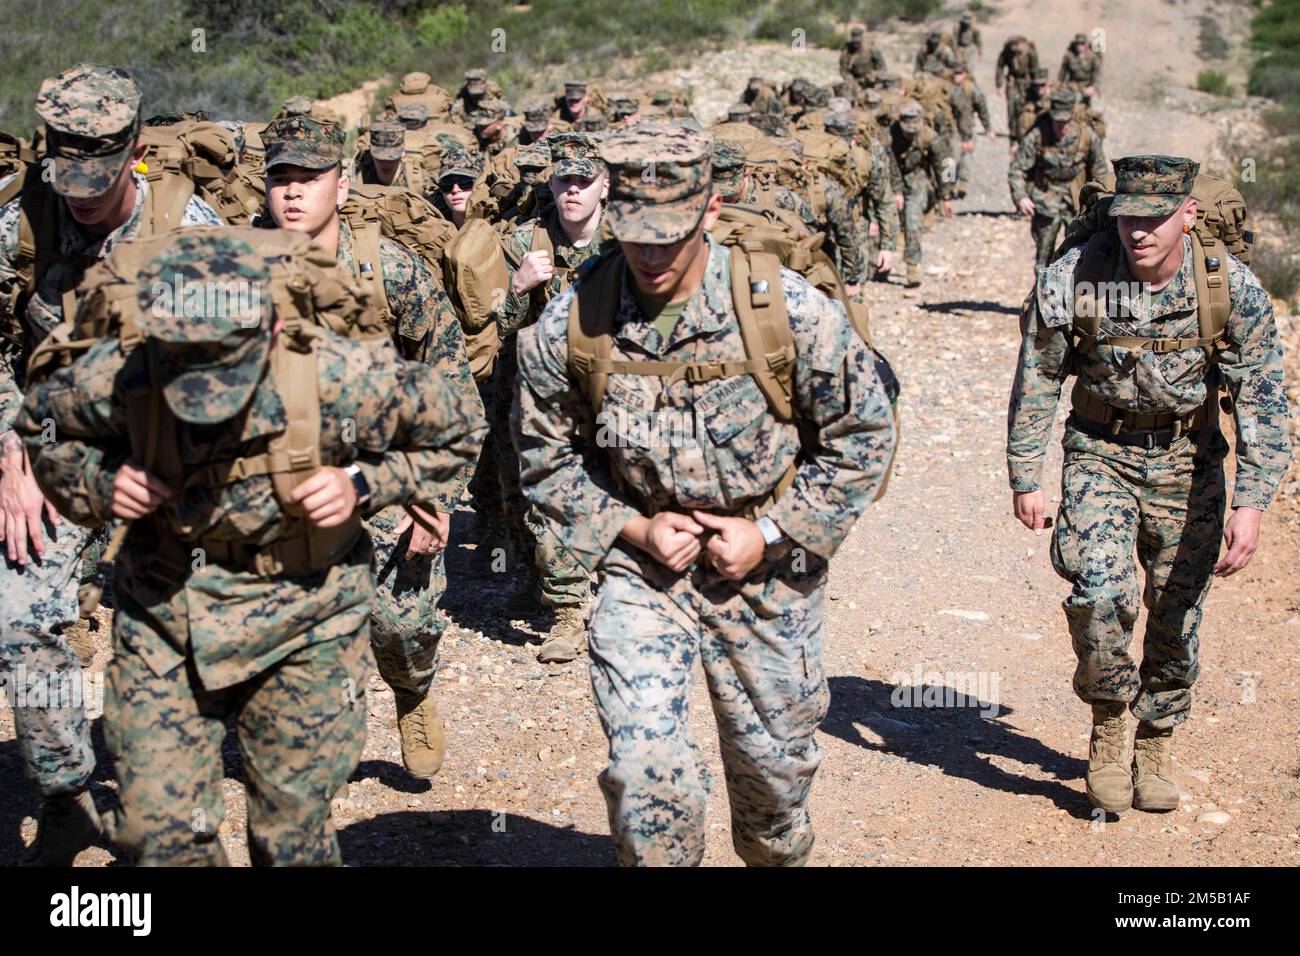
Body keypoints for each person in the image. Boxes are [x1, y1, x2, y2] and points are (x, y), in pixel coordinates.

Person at [17, 227, 487, 864]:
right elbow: (43, 431)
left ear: (270, 331)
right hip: (166, 608)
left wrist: (364, 482)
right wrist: (101, 482)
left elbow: (456, 428)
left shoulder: (338, 374)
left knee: (290, 833)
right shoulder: (122, 372)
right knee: (160, 834)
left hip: (303, 612)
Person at [512, 124, 896, 865]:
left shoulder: (784, 309)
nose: (652, 256)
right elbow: (544, 461)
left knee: (771, 789)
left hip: (768, 579)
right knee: (648, 779)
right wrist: (632, 529)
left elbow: (863, 436)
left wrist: (774, 534)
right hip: (644, 575)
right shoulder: (573, 323)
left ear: (711, 210)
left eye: (670, 236)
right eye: (635, 234)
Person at [1006, 155, 1291, 814]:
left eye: (1156, 218)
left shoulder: (1228, 287)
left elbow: (1264, 398)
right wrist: (1026, 472)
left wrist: (1251, 503)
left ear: (1187, 216)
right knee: (1099, 596)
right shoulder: (1075, 279)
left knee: (1175, 612)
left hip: (1190, 462)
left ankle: (1156, 738)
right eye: (1129, 217)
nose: (1140, 232)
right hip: (1100, 452)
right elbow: (1040, 374)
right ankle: (1109, 724)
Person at [0, 63, 222, 865]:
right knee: (21, 627)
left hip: (171, 460)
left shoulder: (192, 237)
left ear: (134, 151)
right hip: (55, 447)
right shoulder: (23, 223)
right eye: (67, 173)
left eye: (100, 174)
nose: (82, 193)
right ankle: (64, 793)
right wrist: (12, 446)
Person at [261, 113, 484, 779]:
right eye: (280, 178)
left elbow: (450, 388)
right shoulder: (236, 270)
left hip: (383, 475)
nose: (293, 192)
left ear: (343, 186)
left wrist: (432, 493)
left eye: (310, 177)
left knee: (399, 627)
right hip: (279, 480)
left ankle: (413, 691)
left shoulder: (390, 270)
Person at [497, 133, 605, 662]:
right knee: (536, 496)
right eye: (565, 181)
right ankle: (564, 607)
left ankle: (599, 587)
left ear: (604, 187)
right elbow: (491, 326)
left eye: (584, 182)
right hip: (542, 393)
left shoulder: (628, 244)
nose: (573, 192)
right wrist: (518, 290)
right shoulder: (523, 243)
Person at [1008, 89, 1108, 271]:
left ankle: (1072, 296)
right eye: (1057, 122)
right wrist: (1021, 197)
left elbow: (1101, 172)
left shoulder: (1086, 136)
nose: (1062, 128)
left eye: (1065, 122)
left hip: (1078, 203)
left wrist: (1100, 203)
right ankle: (1041, 296)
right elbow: (1017, 169)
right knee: (1043, 259)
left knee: (1080, 254)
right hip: (1045, 201)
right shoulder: (1038, 135)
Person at [888, 101, 953, 288]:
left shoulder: (931, 137)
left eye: (913, 129)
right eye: (906, 130)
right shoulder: (889, 137)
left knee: (913, 219)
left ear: (922, 122)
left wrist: (946, 196)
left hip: (917, 179)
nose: (909, 133)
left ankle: (912, 265)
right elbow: (886, 163)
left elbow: (948, 164)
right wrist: (896, 190)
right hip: (891, 179)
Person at [1059, 33, 1102, 104]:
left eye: (1082, 43)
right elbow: (1062, 74)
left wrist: (1093, 87)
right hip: (1073, 85)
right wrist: (1060, 86)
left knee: (1095, 104)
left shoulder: (1092, 57)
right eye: (1077, 44)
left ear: (1086, 44)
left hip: (1087, 85)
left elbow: (1097, 75)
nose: (1079, 46)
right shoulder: (1069, 57)